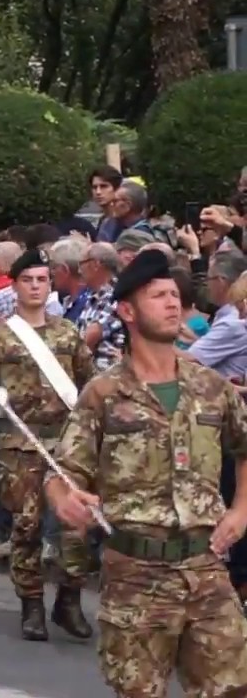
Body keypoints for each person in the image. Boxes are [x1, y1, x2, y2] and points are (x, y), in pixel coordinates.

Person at [50, 250, 247, 696]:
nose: (172, 303)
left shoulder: (210, 387)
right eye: (157, 295)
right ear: (127, 311)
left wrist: (241, 510)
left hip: (206, 566)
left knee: (232, 689)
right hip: (136, 574)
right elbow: (65, 469)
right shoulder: (104, 393)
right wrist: (65, 499)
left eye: (175, 295)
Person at [0, 248, 95, 641]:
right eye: (28, 280)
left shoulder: (67, 332)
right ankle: (31, 604)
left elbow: (91, 383)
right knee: (26, 528)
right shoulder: (0, 336)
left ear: (50, 285)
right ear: (15, 286)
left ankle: (68, 600)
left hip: (67, 444)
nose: (35, 287)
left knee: (75, 529)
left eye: (42, 280)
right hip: (20, 444)